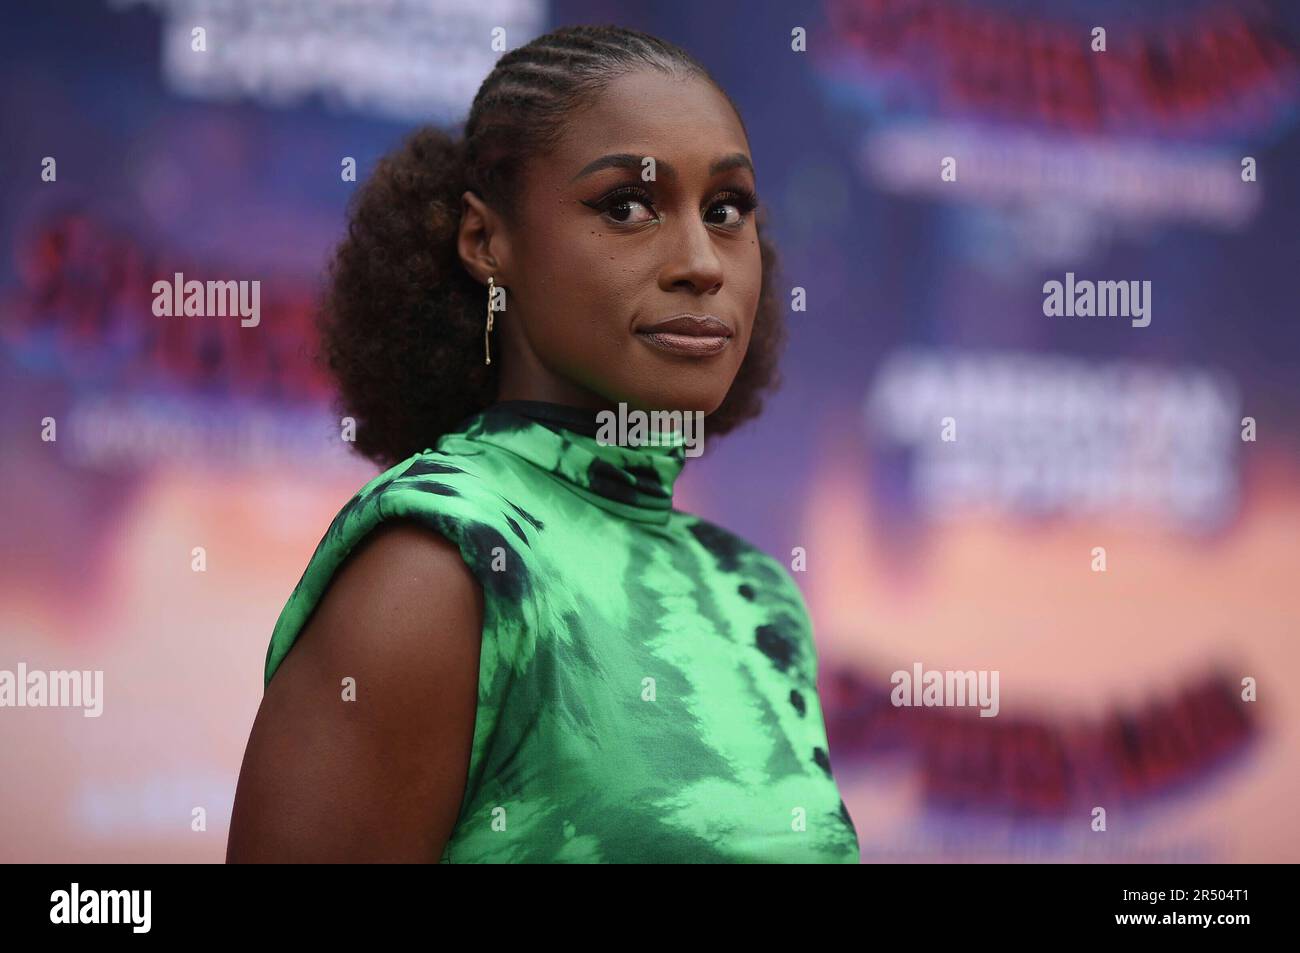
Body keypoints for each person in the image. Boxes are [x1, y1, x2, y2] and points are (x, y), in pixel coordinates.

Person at [227, 23, 859, 863]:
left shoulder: (755, 594)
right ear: (488, 243)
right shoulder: (442, 566)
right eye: (627, 206)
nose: (702, 262)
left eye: (727, 210)